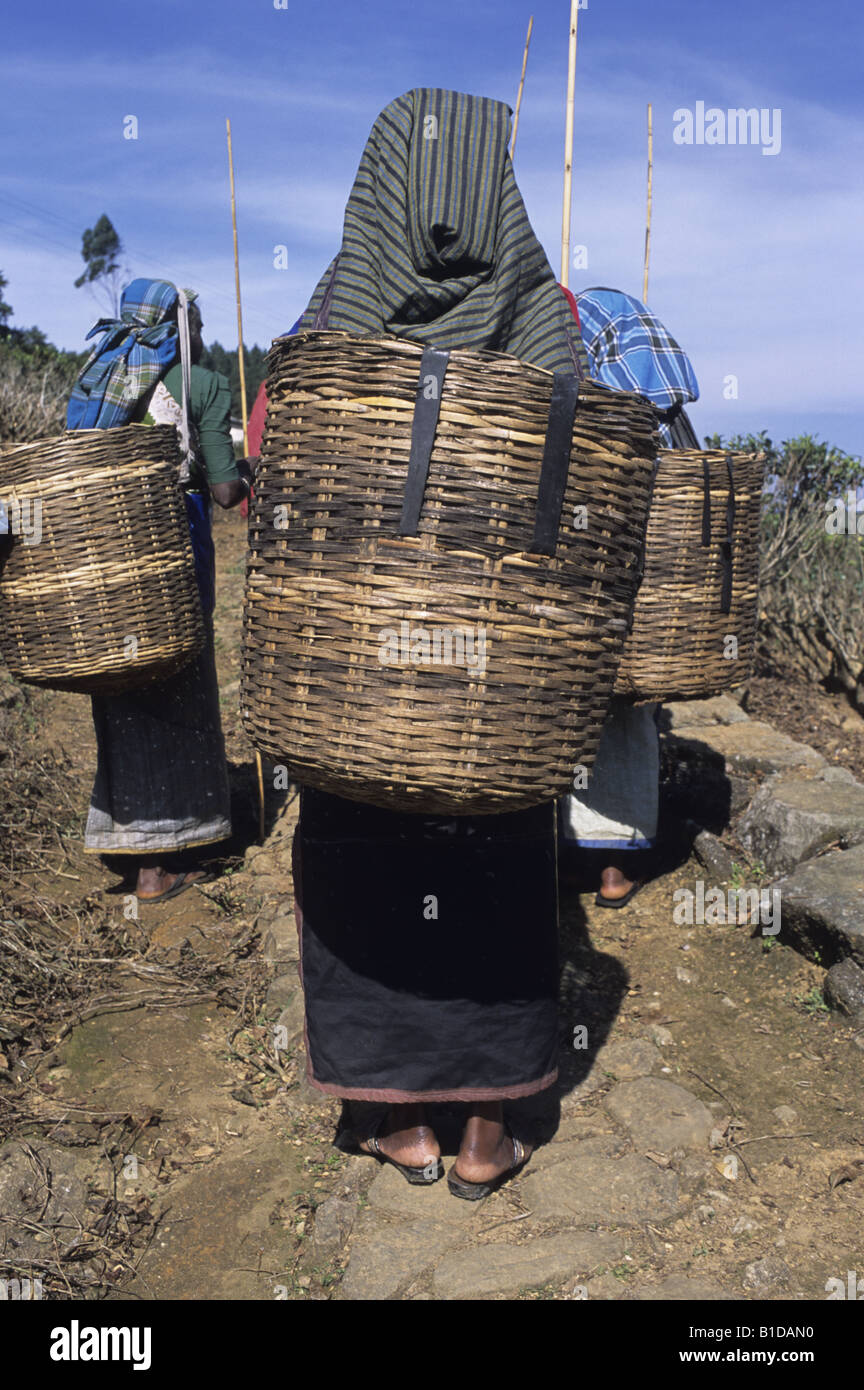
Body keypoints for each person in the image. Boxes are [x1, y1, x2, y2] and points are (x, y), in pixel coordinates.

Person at [288, 87, 591, 1198]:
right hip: (492, 686)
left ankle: (391, 1117)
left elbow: (277, 448)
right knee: (494, 865)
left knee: (365, 857)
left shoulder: (338, 304)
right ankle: (482, 1128)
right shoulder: (543, 314)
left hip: (359, 673)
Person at [66, 278, 250, 902]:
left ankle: (129, 842)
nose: (201, 335)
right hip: (167, 568)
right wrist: (247, 469)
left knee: (124, 697)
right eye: (194, 324)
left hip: (105, 574)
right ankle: (161, 866)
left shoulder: (97, 386)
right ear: (178, 329)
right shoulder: (198, 384)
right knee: (180, 691)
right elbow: (226, 494)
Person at [558, 285, 700, 906]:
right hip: (641, 587)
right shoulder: (667, 415)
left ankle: (592, 854)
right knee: (626, 704)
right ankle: (613, 861)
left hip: (598, 579)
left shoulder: (599, 407)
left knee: (585, 697)